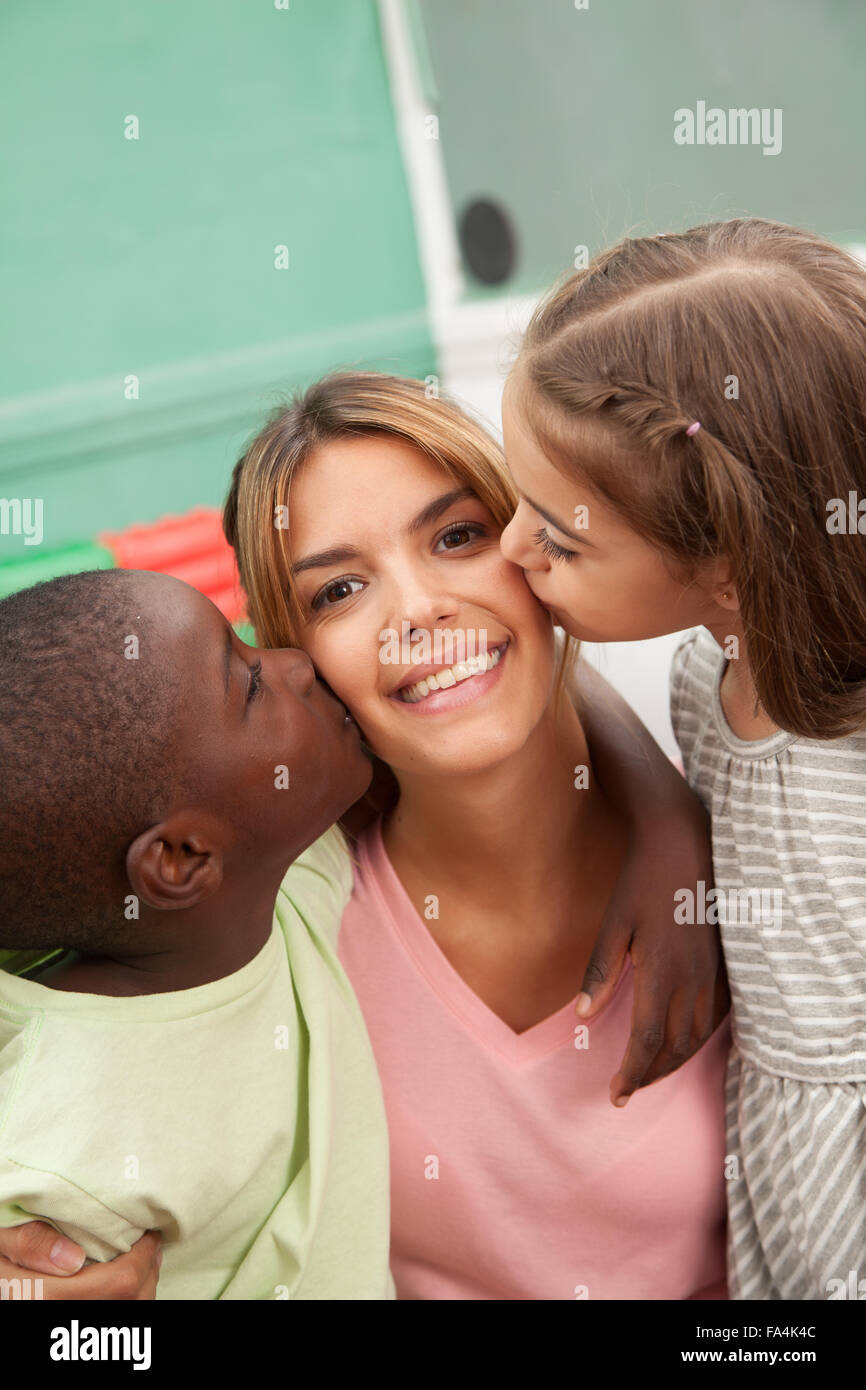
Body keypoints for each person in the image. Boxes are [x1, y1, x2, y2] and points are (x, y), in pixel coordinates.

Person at [220, 372, 730, 1299]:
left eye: (456, 537)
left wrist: (672, 817)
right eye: (339, 590)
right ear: (298, 661)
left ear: (540, 550)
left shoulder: (745, 838)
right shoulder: (290, 938)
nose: (418, 611)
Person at [497, 217, 866, 1300]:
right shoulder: (704, 688)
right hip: (788, 1199)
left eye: (557, 539)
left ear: (727, 565)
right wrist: (661, 809)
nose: (516, 552)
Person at [0, 569, 393, 1300]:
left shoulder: (277, 880)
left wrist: (662, 820)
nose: (296, 661)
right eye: (250, 684)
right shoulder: (71, 1149)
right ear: (181, 861)